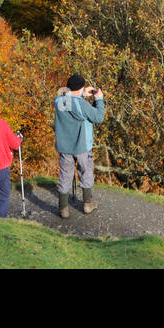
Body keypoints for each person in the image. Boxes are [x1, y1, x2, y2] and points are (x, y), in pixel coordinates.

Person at [53, 74, 105, 219]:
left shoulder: (59, 101)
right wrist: (98, 99)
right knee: (86, 171)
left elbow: (64, 95)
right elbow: (98, 117)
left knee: (65, 175)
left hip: (64, 146)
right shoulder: (82, 104)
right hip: (82, 145)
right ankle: (88, 204)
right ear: (81, 88)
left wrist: (80, 93)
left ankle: (63, 208)